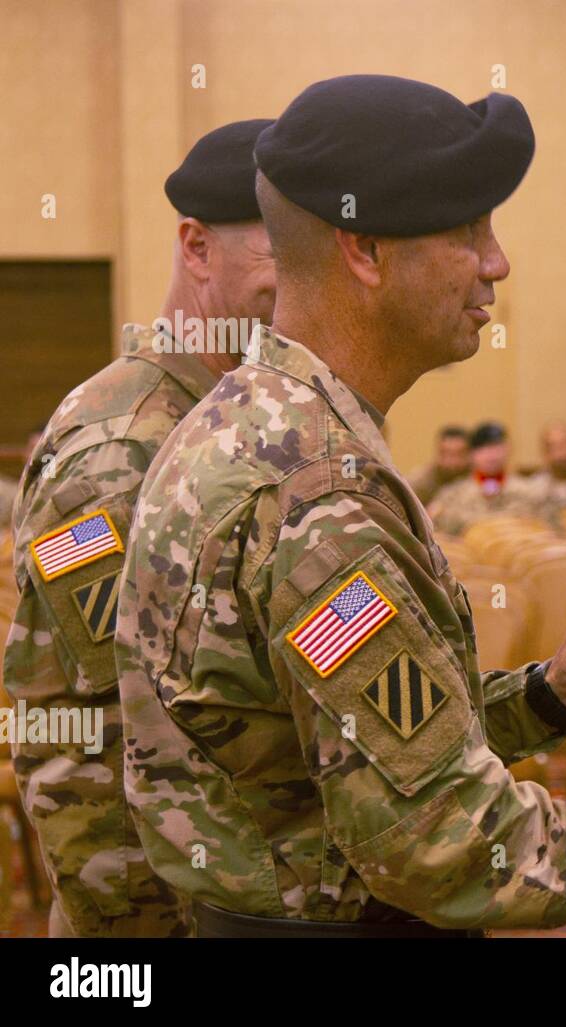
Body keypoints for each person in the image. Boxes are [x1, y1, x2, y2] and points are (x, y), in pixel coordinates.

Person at [115, 75, 566, 938]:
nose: (498, 261)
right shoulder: (318, 491)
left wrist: (550, 693)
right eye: (468, 230)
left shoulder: (242, 427)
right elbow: (443, 839)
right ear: (366, 250)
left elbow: (354, 748)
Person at [3, 118, 275, 937]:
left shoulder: (236, 418)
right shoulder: (121, 447)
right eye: (279, 253)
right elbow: (92, 735)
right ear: (197, 248)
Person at [428, 420, 537, 533]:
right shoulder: (452, 495)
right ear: (471, 454)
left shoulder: (528, 491)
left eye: (497, 447)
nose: (491, 455)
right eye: (483, 449)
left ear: (508, 449)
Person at [407, 425, 471, 505]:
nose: (450, 462)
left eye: (457, 454)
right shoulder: (422, 479)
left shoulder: (477, 480)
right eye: (445, 454)